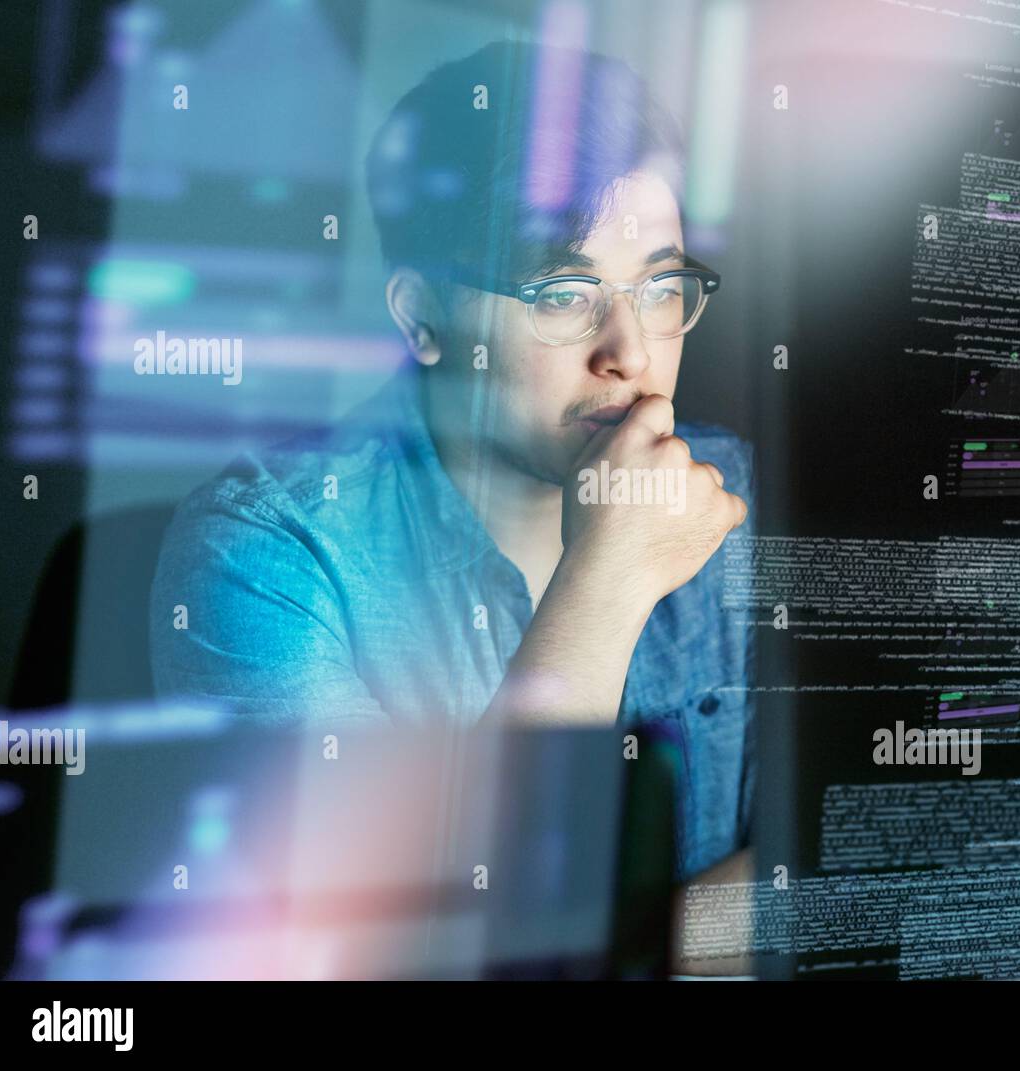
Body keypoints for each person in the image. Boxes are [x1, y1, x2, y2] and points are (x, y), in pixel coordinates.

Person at [150, 40, 756, 968]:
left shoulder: (737, 497)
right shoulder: (260, 555)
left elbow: (864, 857)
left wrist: (635, 950)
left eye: (661, 287)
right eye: (562, 291)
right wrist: (607, 580)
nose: (630, 351)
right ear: (422, 315)